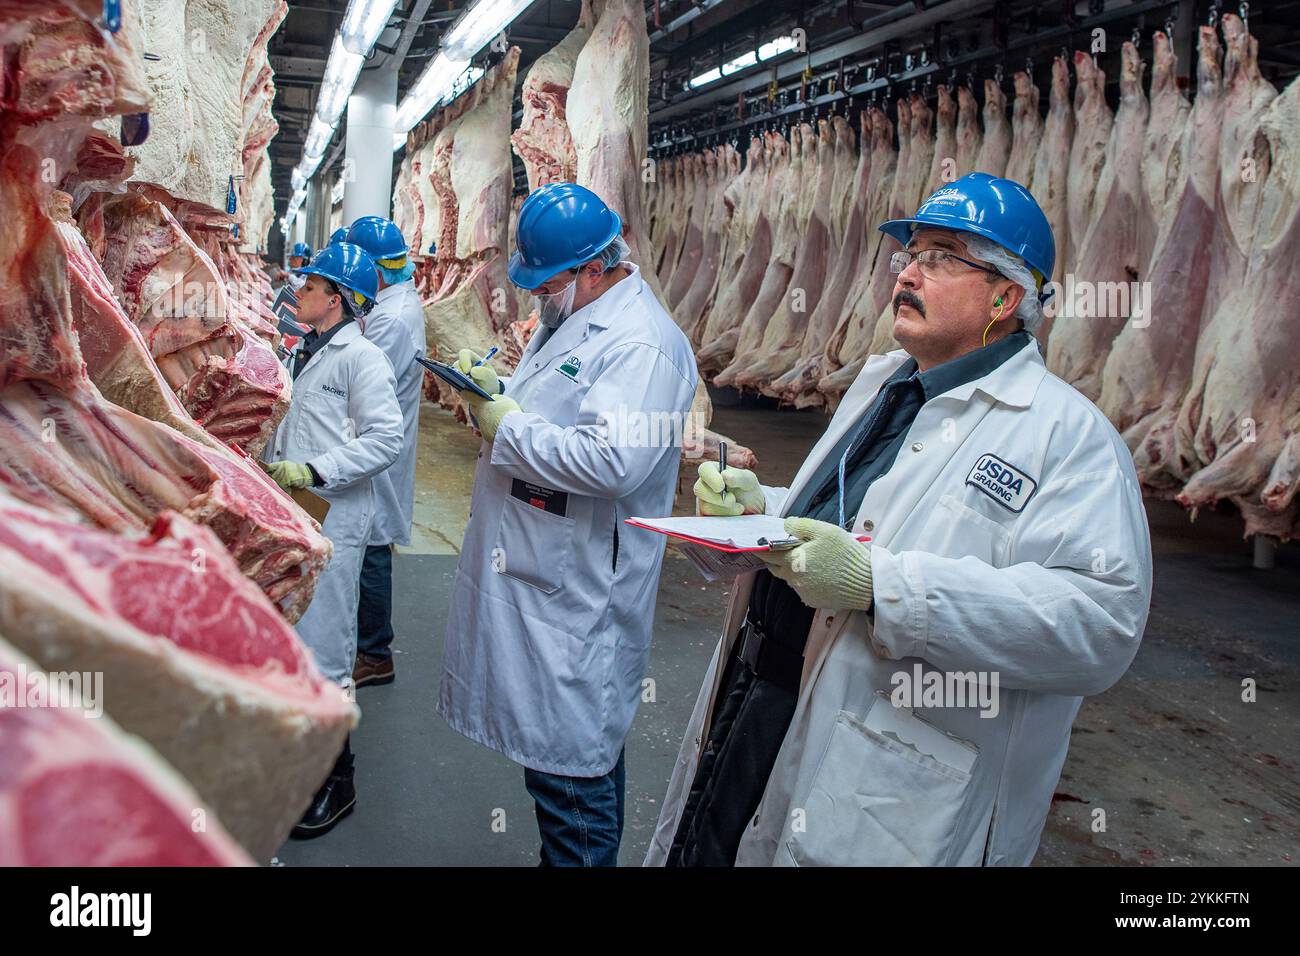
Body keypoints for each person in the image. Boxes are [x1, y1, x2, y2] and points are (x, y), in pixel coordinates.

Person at [646, 172, 1154, 867]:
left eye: (940, 257)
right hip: (760, 697)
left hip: (892, 777)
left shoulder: (1070, 438)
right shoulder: (884, 384)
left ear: (1006, 297)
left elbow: (1100, 626)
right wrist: (762, 506)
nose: (907, 272)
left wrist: (884, 589)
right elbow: (867, 514)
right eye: (908, 254)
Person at [438, 182, 698, 866]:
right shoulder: (575, 318)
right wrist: (495, 398)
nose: (537, 298)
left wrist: (508, 426)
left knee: (573, 780)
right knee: (562, 767)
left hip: (579, 594)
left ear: (594, 268)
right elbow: (554, 411)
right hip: (542, 572)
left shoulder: (642, 345)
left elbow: (612, 461)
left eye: (546, 284)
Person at [262, 241, 404, 839]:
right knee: (293, 643)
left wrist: (315, 471)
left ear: (340, 300)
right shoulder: (308, 347)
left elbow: (386, 439)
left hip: (333, 518)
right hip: (297, 513)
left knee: (325, 651)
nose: (302, 291)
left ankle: (336, 781)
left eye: (314, 286)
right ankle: (300, 764)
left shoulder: (361, 359)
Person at [343, 216, 426, 688]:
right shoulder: (390, 304)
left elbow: (364, 379)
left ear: (375, 269)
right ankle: (364, 643)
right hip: (375, 435)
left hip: (378, 441)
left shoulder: (393, 318)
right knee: (366, 535)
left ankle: (375, 653)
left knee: (373, 543)